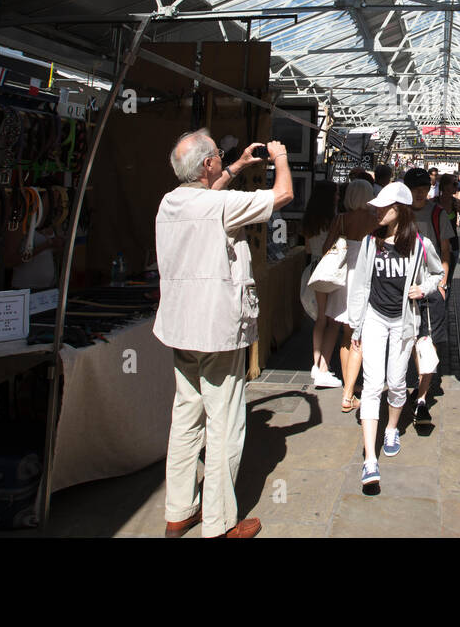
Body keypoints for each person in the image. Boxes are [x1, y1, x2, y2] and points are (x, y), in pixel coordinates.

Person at [153, 131, 293, 540]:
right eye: (217, 155)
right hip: (216, 328)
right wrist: (279, 158)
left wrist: (237, 166)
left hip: (181, 328)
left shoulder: (170, 202)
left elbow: (207, 196)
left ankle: (179, 511)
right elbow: (282, 194)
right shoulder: (220, 206)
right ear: (206, 166)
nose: (221, 158)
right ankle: (217, 524)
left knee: (185, 419)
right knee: (224, 425)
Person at [348, 182, 445, 491]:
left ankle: (392, 427)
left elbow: (438, 273)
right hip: (375, 319)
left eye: (384, 208)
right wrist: (356, 325)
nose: (377, 211)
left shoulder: (418, 243)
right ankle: (370, 461)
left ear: (399, 211)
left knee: (398, 382)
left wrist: (424, 288)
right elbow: (361, 284)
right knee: (373, 384)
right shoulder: (369, 242)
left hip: (404, 322)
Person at [321, 178, 379, 413]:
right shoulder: (375, 221)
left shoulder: (341, 219)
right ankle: (354, 387)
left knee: (345, 335)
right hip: (365, 275)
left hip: (344, 276)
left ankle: (349, 386)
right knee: (361, 334)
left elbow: (327, 247)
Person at [403, 167, 451, 424]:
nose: (421, 193)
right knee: (409, 343)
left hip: (429, 288)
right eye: (416, 189)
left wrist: (441, 284)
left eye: (424, 189)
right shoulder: (397, 212)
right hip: (399, 291)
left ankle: (421, 397)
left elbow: (445, 251)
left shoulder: (437, 213)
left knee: (428, 343)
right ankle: (414, 388)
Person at [301, 182, 344, 389]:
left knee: (319, 321)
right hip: (329, 269)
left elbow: (308, 247)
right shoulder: (335, 220)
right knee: (332, 321)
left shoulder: (309, 219)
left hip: (313, 268)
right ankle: (323, 367)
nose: (338, 197)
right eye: (336, 194)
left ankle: (315, 362)